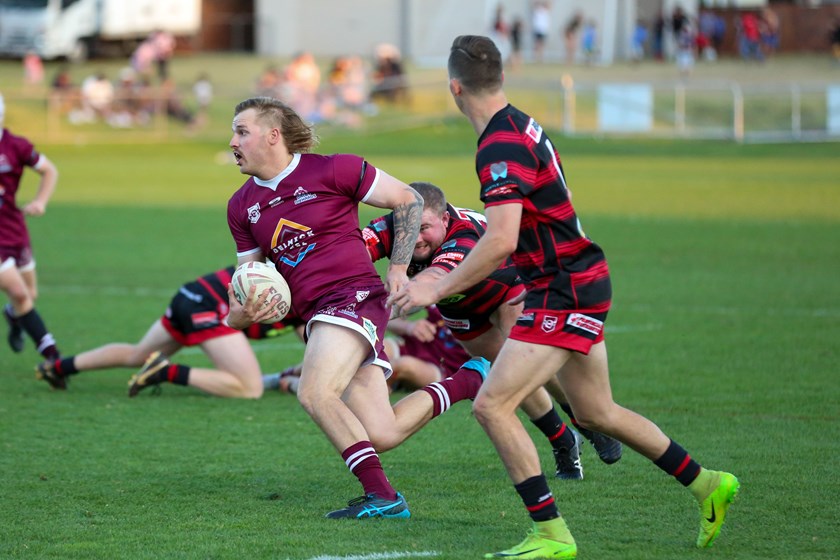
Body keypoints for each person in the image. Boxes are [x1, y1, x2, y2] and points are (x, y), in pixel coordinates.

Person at [390, 35, 740, 558]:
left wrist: (438, 285)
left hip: (562, 289)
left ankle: (550, 534)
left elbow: (501, 238)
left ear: (454, 88)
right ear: (500, 79)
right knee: (596, 411)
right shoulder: (518, 124)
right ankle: (708, 484)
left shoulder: (499, 146)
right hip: (576, 279)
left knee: (492, 406)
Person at [225, 96, 491, 520]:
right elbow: (248, 282)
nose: (233, 141)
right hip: (319, 314)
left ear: (273, 135)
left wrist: (399, 268)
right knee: (380, 432)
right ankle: (469, 380)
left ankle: (383, 497)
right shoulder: (241, 206)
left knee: (313, 392)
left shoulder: (335, 168)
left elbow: (408, 199)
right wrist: (239, 314)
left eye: (242, 131)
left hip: (354, 298)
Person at [364, 181, 622, 477]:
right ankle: (562, 439)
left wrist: (392, 301)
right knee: (504, 372)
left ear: (445, 219)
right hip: (460, 306)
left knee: (529, 363)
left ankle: (583, 419)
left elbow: (433, 279)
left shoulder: (462, 234)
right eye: (411, 229)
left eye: (425, 228)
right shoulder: (397, 224)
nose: (416, 239)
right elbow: (351, 251)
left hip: (506, 284)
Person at [35, 267, 296, 398]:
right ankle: (164, 371)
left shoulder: (303, 288)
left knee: (137, 355)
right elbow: (321, 353)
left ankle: (57, 367)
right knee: (248, 388)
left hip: (191, 294)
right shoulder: (307, 296)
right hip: (208, 305)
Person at [0, 93, 62, 363]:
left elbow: (50, 170)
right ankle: (52, 357)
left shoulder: (16, 146)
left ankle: (13, 317)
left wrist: (40, 201)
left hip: (15, 229)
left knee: (29, 296)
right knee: (19, 294)